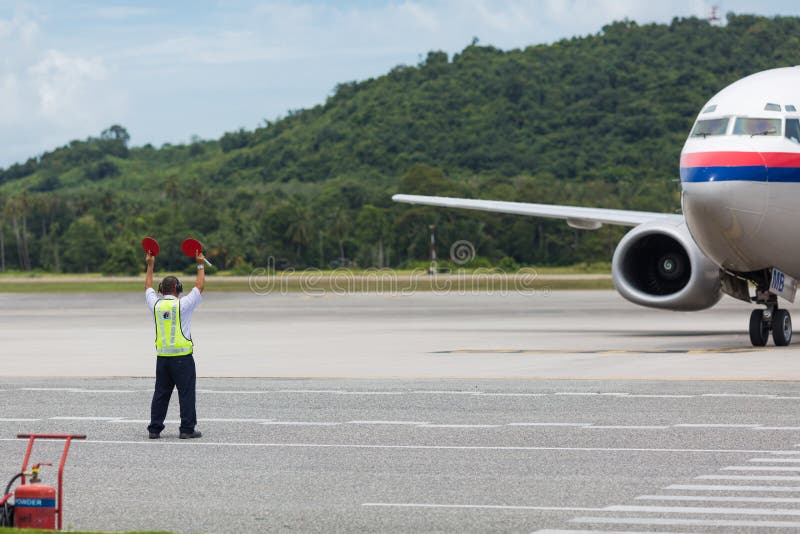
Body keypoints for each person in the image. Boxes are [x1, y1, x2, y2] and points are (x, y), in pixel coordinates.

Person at [144, 250, 205, 439]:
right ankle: (186, 429)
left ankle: (155, 429)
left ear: (161, 290)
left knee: (160, 394)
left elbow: (147, 288)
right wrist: (200, 264)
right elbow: (199, 287)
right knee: (186, 394)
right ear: (178, 289)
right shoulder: (183, 304)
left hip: (162, 359)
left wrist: (150, 265)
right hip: (182, 359)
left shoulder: (156, 305)